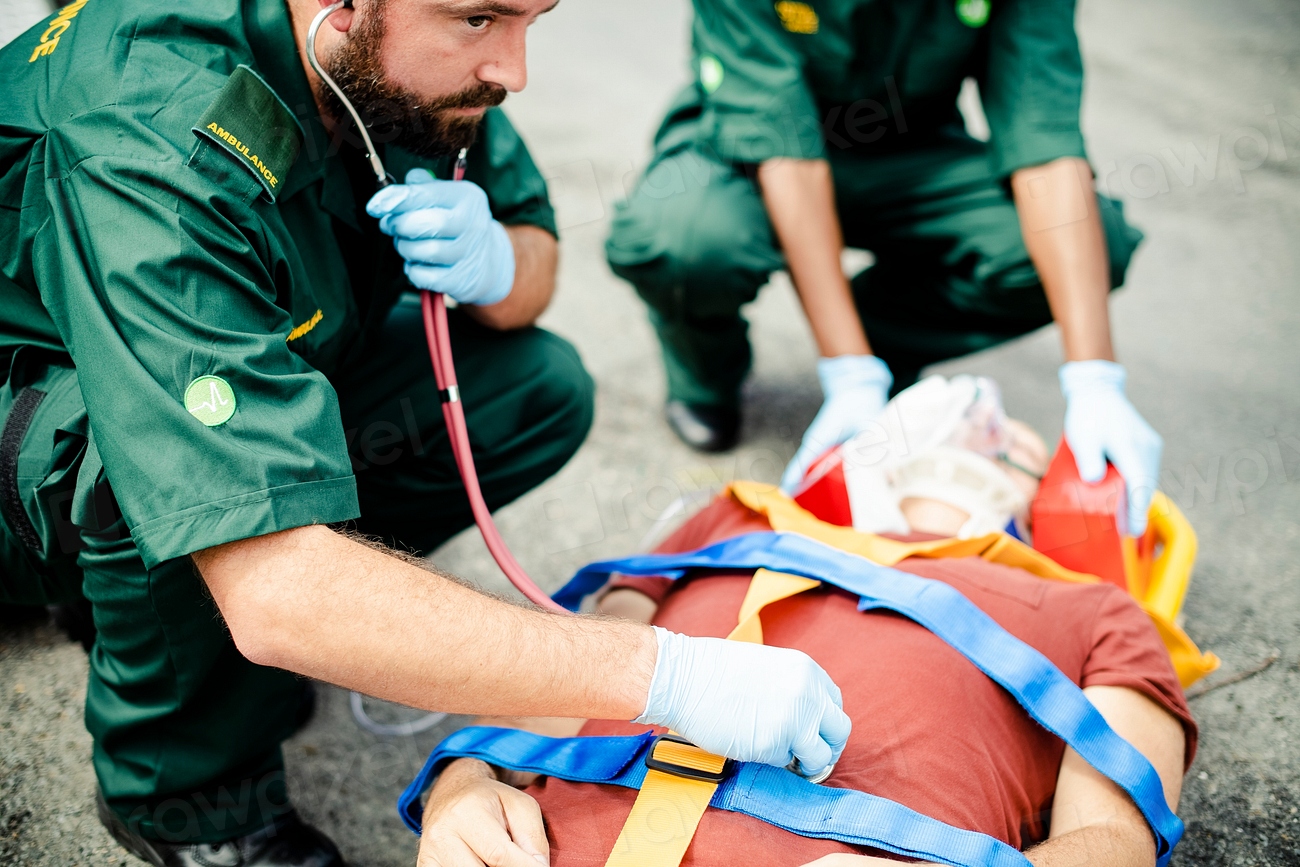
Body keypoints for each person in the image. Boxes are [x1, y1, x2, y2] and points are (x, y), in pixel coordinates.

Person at [0, 1, 849, 864]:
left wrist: (496, 261)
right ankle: (186, 793)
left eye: (531, 19)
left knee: (531, 389)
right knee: (177, 481)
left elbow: (533, 265)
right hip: (33, 443)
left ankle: (296, 625)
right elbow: (268, 581)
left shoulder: (403, 61)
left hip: (258, 358)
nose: (515, 70)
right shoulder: (148, 129)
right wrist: (670, 676)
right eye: (481, 20)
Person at [411, 415, 1196, 867]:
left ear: (1043, 498)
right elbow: (582, 665)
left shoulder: (1096, 609)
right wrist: (468, 779)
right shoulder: (742, 516)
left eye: (1012, 443)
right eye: (963, 422)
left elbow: (1115, 842)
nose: (976, 438)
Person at [605, 0, 1164, 537]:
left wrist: (1095, 377)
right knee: (685, 241)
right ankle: (704, 367)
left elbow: (1042, 136)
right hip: (751, 146)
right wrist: (846, 368)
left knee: (1093, 246)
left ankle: (883, 339)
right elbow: (783, 145)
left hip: (906, 149)